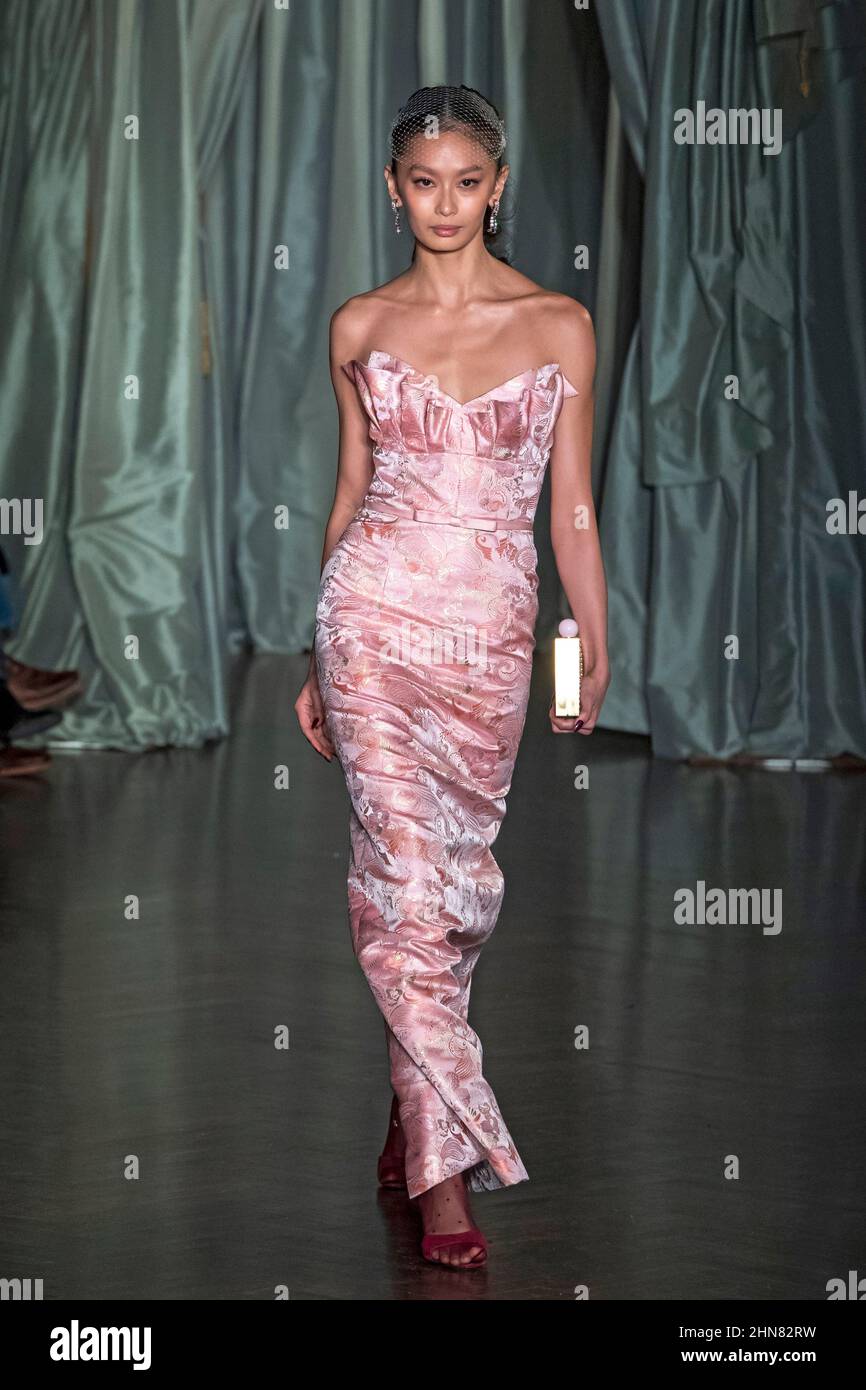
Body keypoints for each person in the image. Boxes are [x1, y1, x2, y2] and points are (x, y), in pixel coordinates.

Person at [295, 85, 609, 1268]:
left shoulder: (558, 323)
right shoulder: (357, 327)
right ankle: (443, 1179)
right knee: (411, 882)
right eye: (421, 181)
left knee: (455, 898)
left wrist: (594, 629)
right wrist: (312, 655)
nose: (443, 202)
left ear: (496, 184)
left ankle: (408, 1100)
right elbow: (345, 495)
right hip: (369, 614)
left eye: (464, 181)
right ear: (392, 188)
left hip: (486, 637)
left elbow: (569, 502)